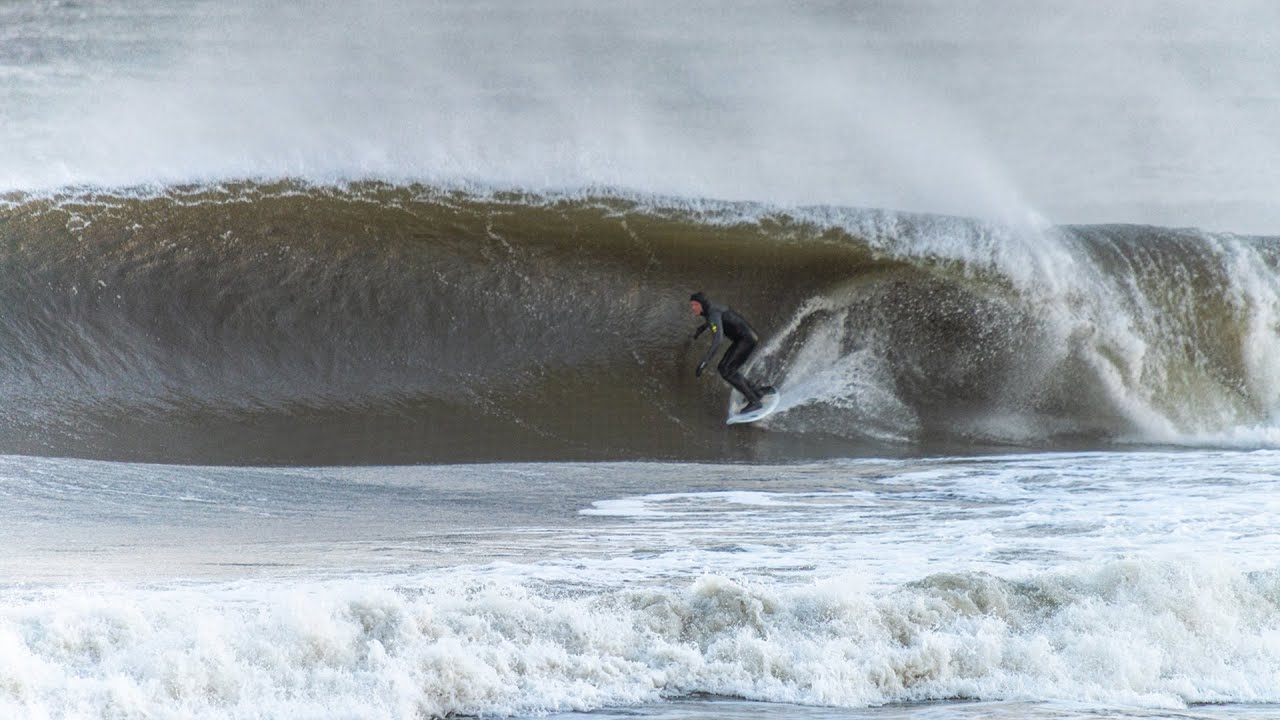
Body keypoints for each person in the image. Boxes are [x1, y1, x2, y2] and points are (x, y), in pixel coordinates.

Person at [689, 291, 768, 413]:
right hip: (744, 339)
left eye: (695, 305)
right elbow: (717, 319)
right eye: (692, 304)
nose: (692, 308)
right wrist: (703, 327)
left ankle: (755, 401)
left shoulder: (712, 314)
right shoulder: (712, 308)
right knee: (726, 369)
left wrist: (705, 362)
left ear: (702, 305)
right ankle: (756, 392)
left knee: (727, 370)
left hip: (746, 340)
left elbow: (718, 339)